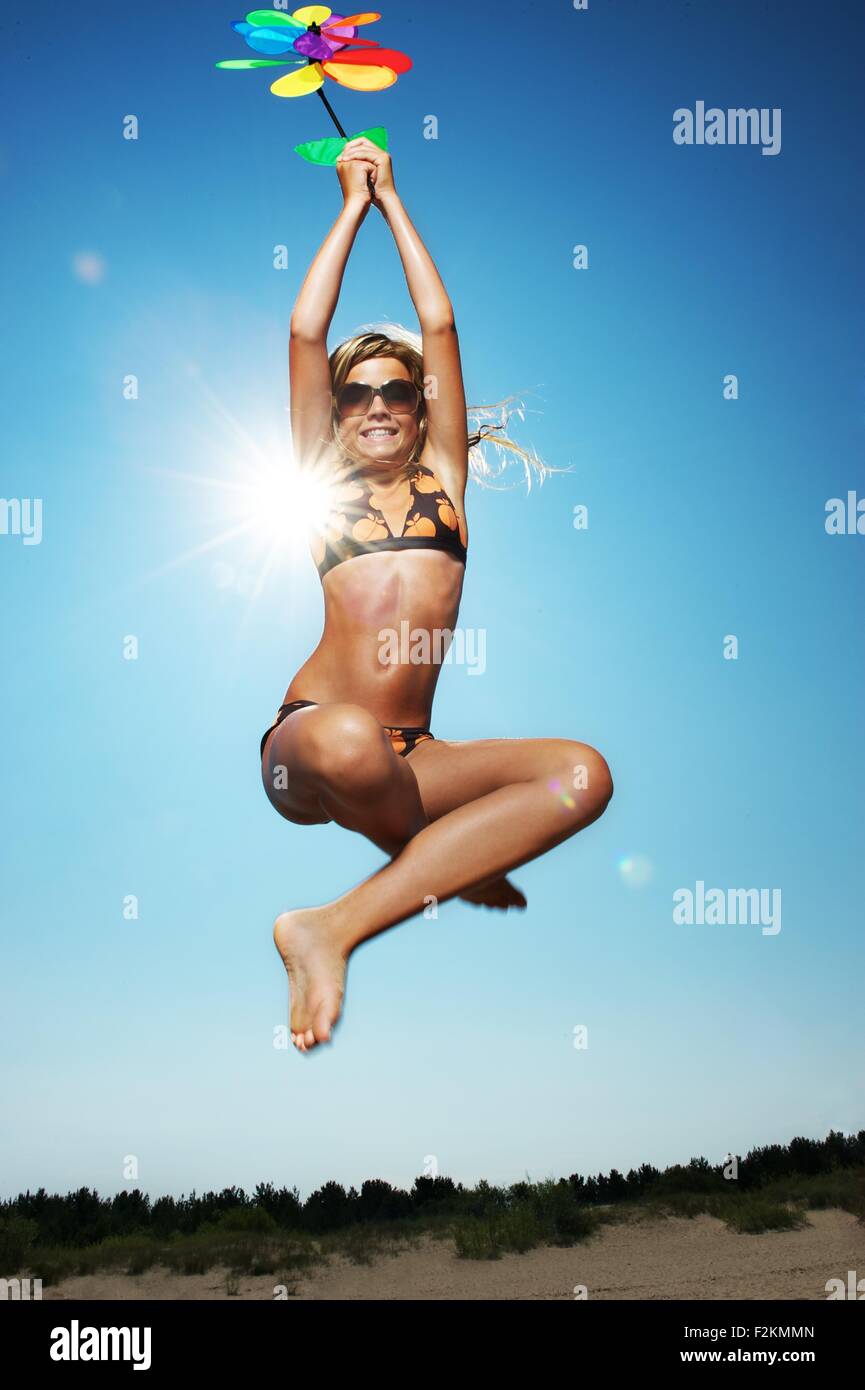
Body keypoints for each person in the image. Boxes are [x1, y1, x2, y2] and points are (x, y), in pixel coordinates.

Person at [260, 137, 613, 1052]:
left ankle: (333, 924)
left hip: (414, 759)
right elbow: (304, 335)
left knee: (582, 774)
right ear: (334, 417)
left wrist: (396, 202)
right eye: (354, 395)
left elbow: (441, 325)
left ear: (422, 408)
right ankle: (432, 861)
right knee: (347, 739)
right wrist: (349, 206)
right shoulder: (323, 488)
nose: (376, 404)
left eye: (396, 391)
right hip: (311, 743)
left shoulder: (446, 485)